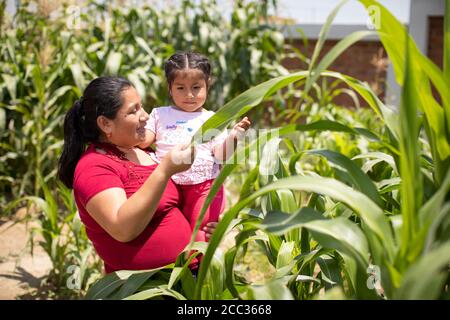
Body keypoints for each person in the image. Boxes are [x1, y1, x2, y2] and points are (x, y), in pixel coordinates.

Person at [57, 76, 216, 273]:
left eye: (142, 107)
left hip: (188, 273)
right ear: (105, 124)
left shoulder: (144, 151)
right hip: (145, 287)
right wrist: (164, 170)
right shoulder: (94, 167)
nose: (146, 116)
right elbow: (122, 228)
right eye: (134, 110)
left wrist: (206, 225)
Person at [138, 51, 251, 242]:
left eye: (196, 87)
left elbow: (221, 156)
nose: (189, 95)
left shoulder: (213, 119)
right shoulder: (159, 115)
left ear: (208, 86)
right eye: (180, 88)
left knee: (201, 232)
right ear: (169, 88)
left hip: (203, 187)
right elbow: (142, 141)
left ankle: (200, 270)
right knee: (172, 232)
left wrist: (234, 136)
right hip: (167, 184)